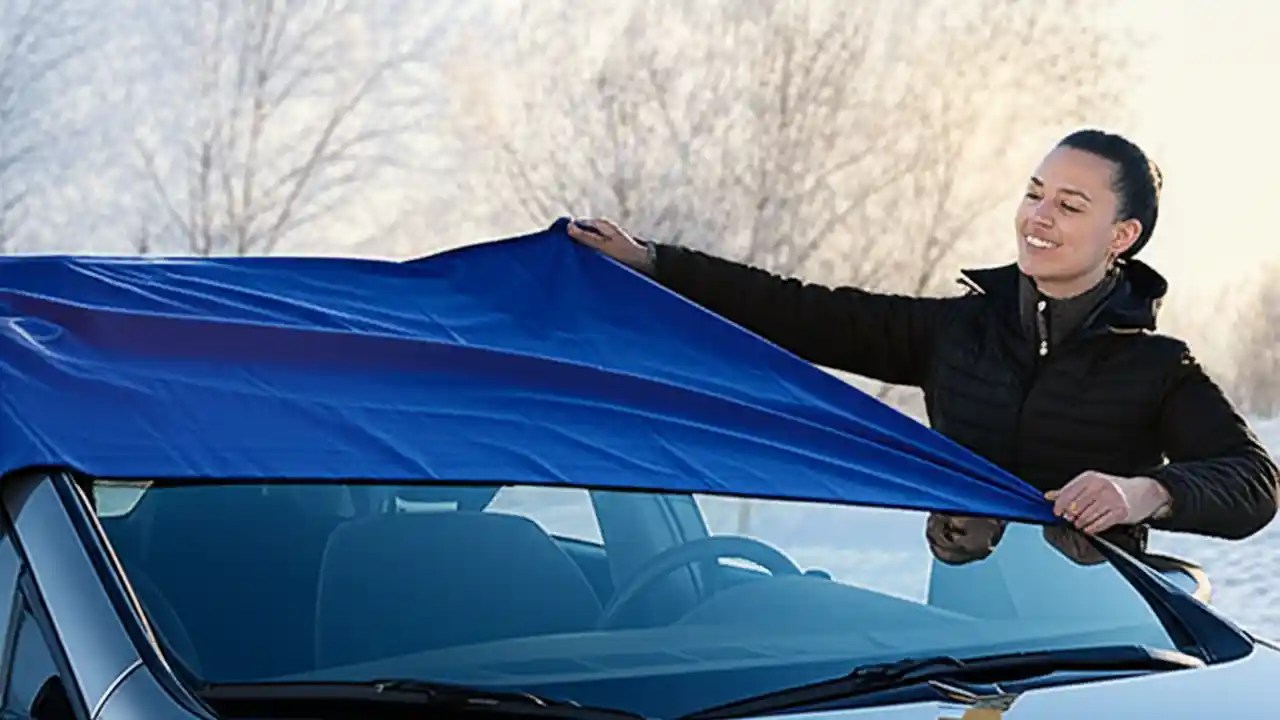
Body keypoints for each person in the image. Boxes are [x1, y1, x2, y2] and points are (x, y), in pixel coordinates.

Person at [566, 128, 1280, 558]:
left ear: (1120, 237)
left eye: (1069, 205)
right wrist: (657, 264)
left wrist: (1142, 491)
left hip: (1099, 651)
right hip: (949, 658)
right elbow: (798, 311)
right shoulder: (955, 332)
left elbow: (1254, 483)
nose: (1038, 216)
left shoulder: (1157, 368)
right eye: (1034, 193)